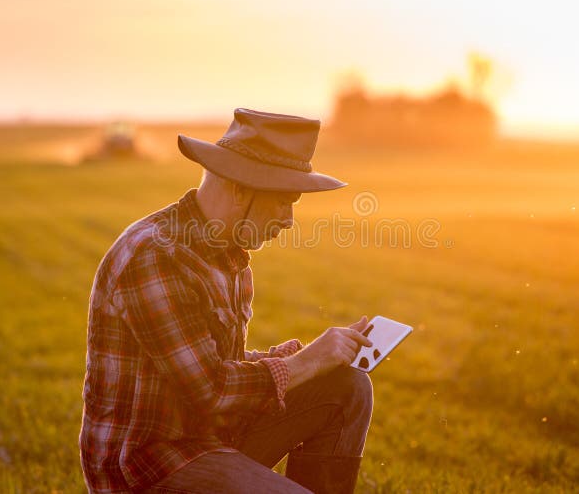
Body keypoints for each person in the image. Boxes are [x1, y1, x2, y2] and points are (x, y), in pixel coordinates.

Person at [79, 108, 374, 493]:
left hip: (211, 439)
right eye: (284, 201)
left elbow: (217, 364)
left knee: (348, 385)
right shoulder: (156, 255)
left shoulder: (228, 255)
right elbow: (211, 389)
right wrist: (307, 361)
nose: (288, 220)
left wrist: (308, 359)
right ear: (239, 189)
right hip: (149, 468)